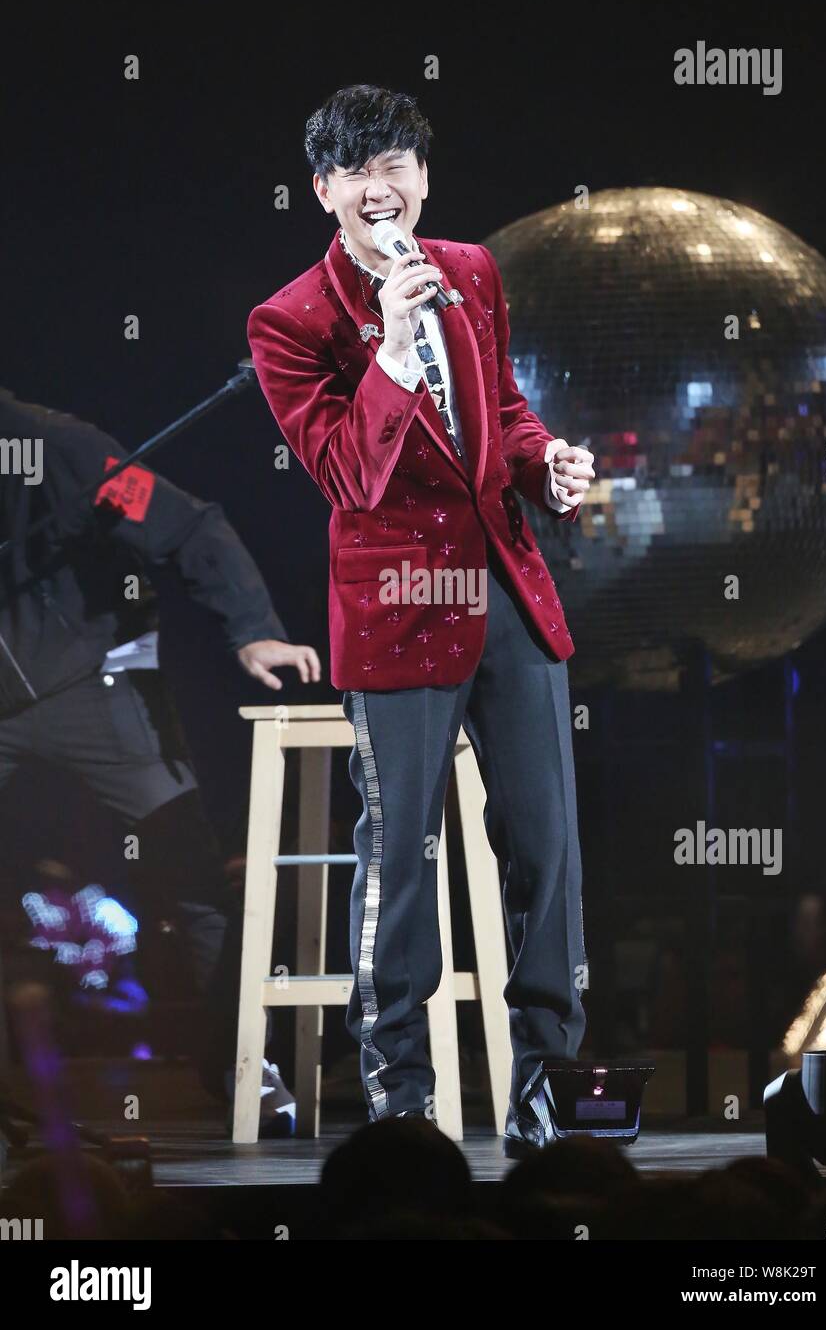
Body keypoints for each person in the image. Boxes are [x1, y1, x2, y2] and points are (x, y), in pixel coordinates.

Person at [247, 84, 595, 1154]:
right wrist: (392, 346)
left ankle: (549, 1088)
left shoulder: (474, 272)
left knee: (543, 845)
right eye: (355, 170)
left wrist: (547, 462)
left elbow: (498, 410)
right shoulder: (291, 321)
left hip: (503, 583)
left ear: (422, 178)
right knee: (402, 857)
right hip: (399, 605)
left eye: (394, 162)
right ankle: (403, 1099)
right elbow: (347, 473)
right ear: (323, 193)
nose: (378, 185)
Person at [0, 386, 321, 1130]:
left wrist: (252, 627)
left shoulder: (57, 444)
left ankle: (244, 1065)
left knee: (194, 870)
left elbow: (185, 525)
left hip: (93, 679)